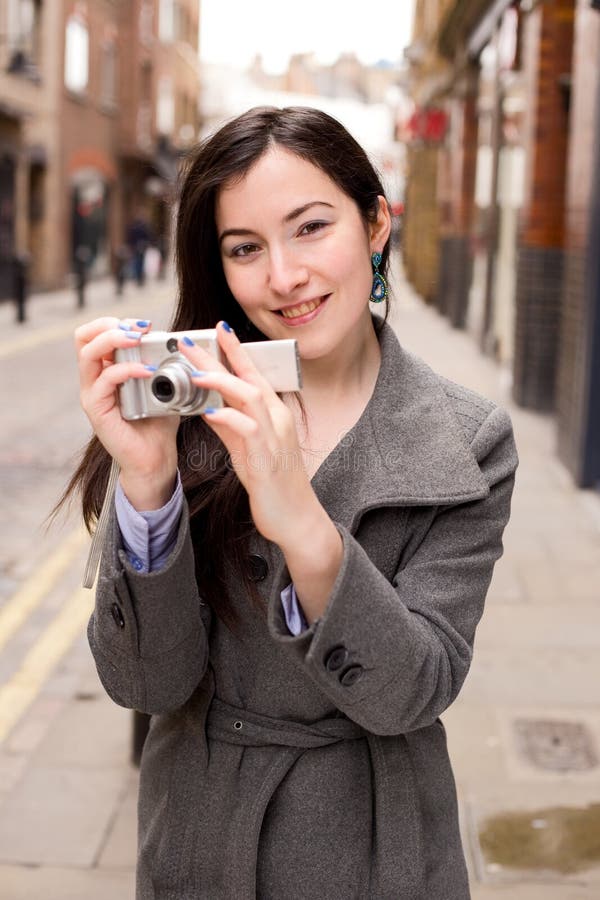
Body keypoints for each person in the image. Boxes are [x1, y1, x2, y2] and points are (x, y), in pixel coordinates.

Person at [68, 106, 518, 899]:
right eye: (246, 248)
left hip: (380, 844)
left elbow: (415, 689)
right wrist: (147, 484)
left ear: (376, 223)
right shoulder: (186, 413)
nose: (283, 277)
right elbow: (145, 688)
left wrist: (303, 525)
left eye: (311, 228)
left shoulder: (467, 440)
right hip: (202, 841)